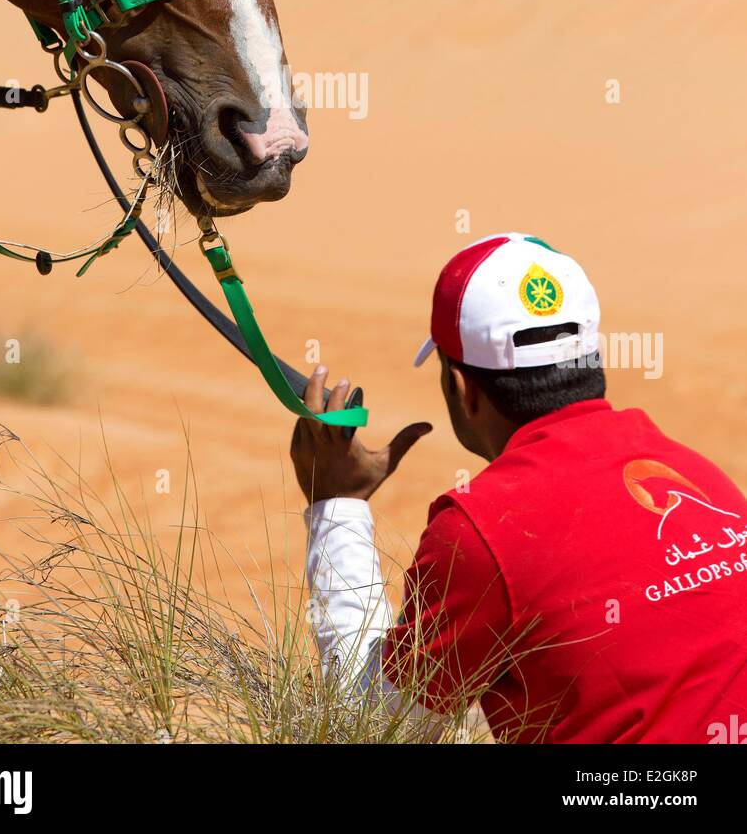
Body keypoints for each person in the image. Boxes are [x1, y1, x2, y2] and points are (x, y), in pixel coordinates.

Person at [291, 232, 747, 743]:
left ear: (463, 390)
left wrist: (338, 505)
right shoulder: (702, 478)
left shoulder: (481, 532)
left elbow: (374, 726)